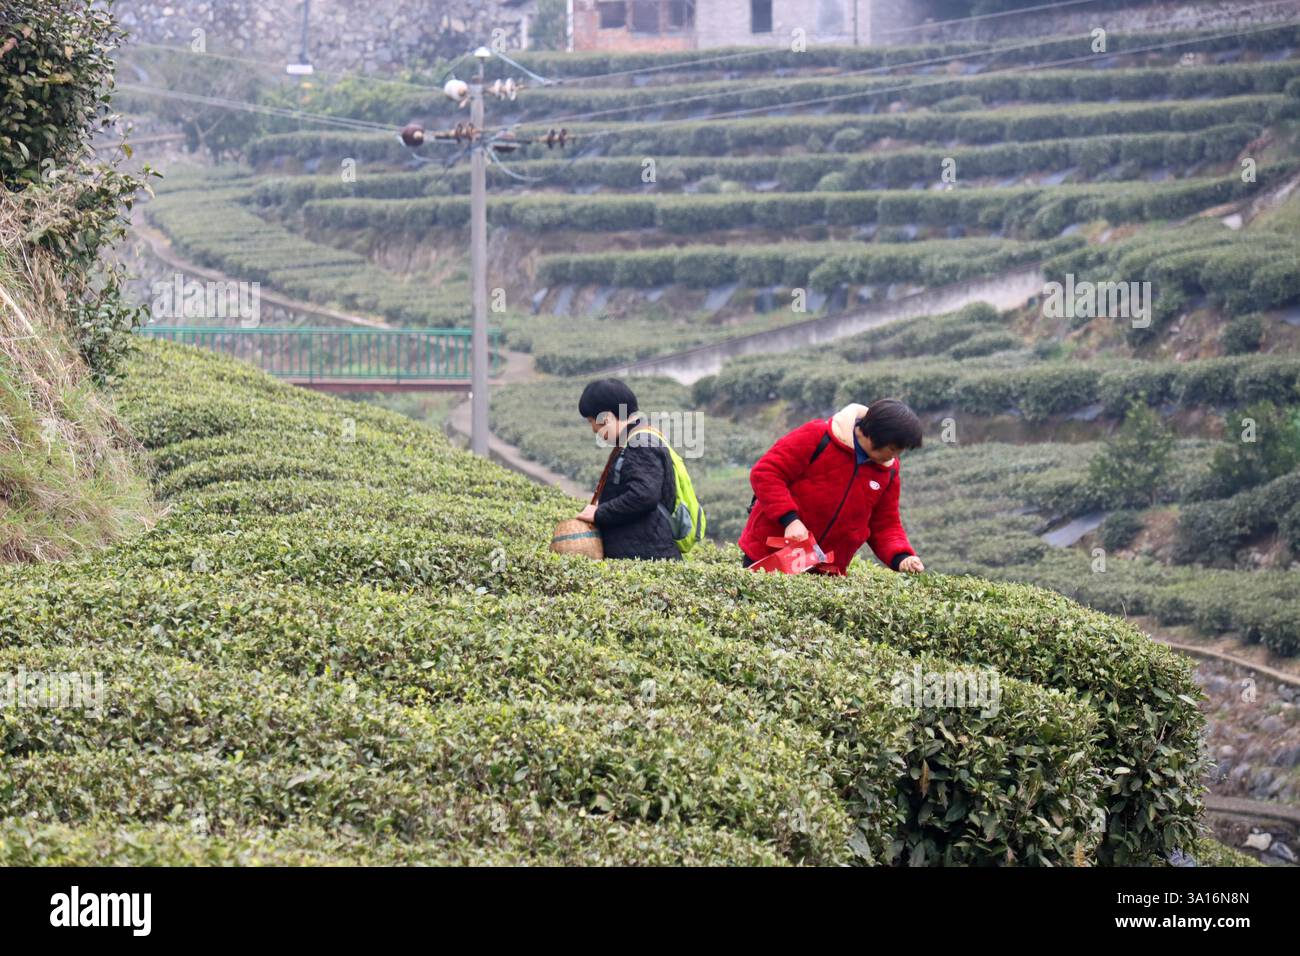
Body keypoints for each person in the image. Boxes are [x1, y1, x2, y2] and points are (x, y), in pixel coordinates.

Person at [738, 399, 925, 575]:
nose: (894, 456)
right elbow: (766, 473)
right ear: (875, 436)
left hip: (826, 571)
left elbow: (885, 524)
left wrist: (902, 557)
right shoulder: (819, 435)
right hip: (770, 553)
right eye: (892, 449)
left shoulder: (888, 471)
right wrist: (790, 520)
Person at [574, 378, 681, 561]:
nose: (593, 430)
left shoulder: (639, 444)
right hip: (643, 551)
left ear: (606, 418)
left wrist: (599, 513)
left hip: (646, 556)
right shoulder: (635, 439)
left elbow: (644, 495)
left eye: (592, 421)